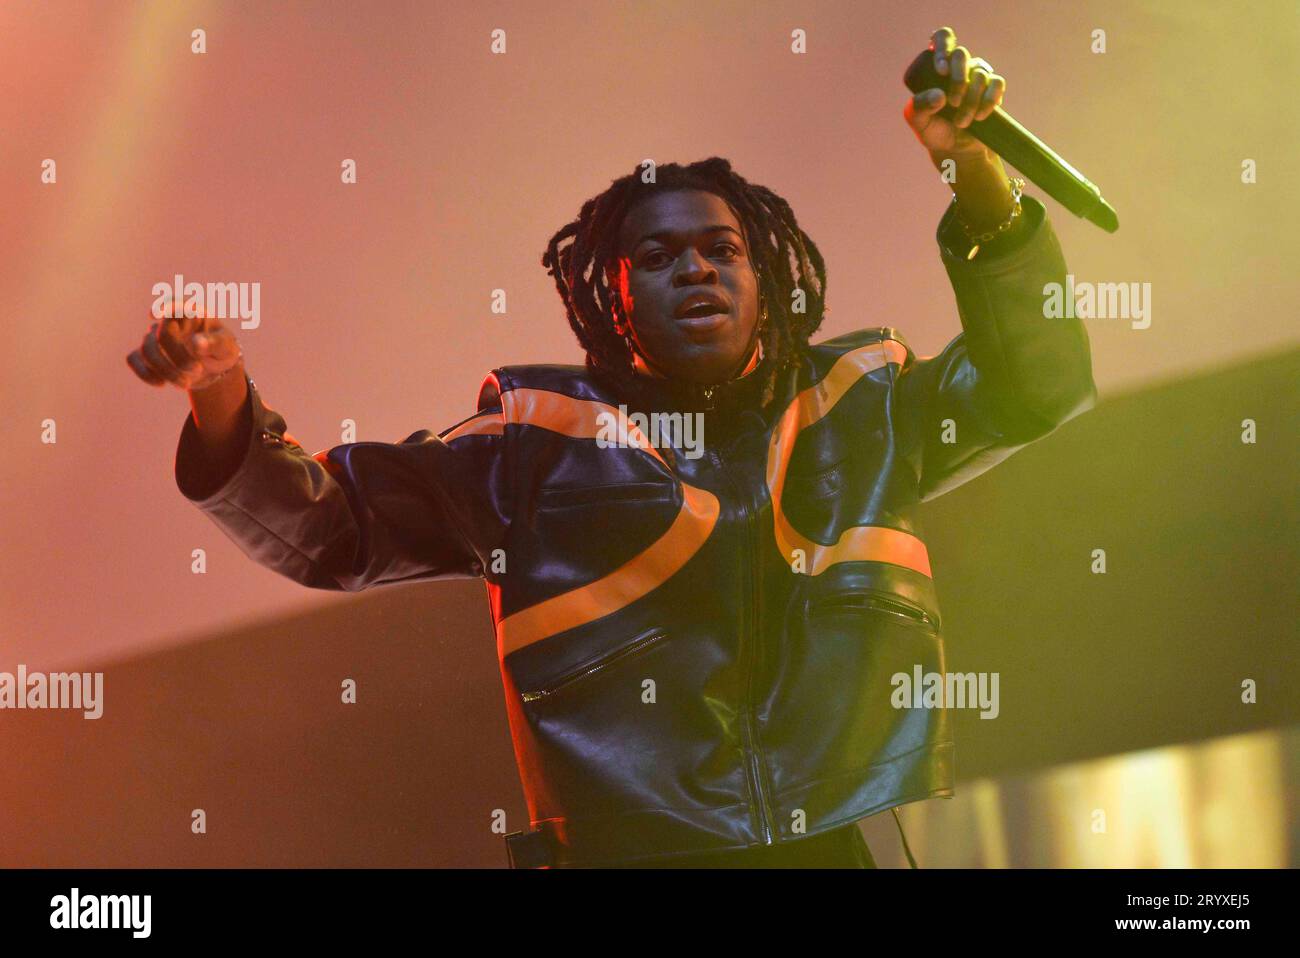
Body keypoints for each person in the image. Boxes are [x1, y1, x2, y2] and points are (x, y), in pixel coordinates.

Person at [126, 28, 1095, 868]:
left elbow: (1031, 382)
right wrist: (218, 391)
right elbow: (330, 532)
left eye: (722, 249)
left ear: (768, 277)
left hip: (829, 836)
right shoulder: (532, 440)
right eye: (660, 257)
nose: (697, 269)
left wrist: (970, 168)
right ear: (610, 295)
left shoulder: (859, 400)